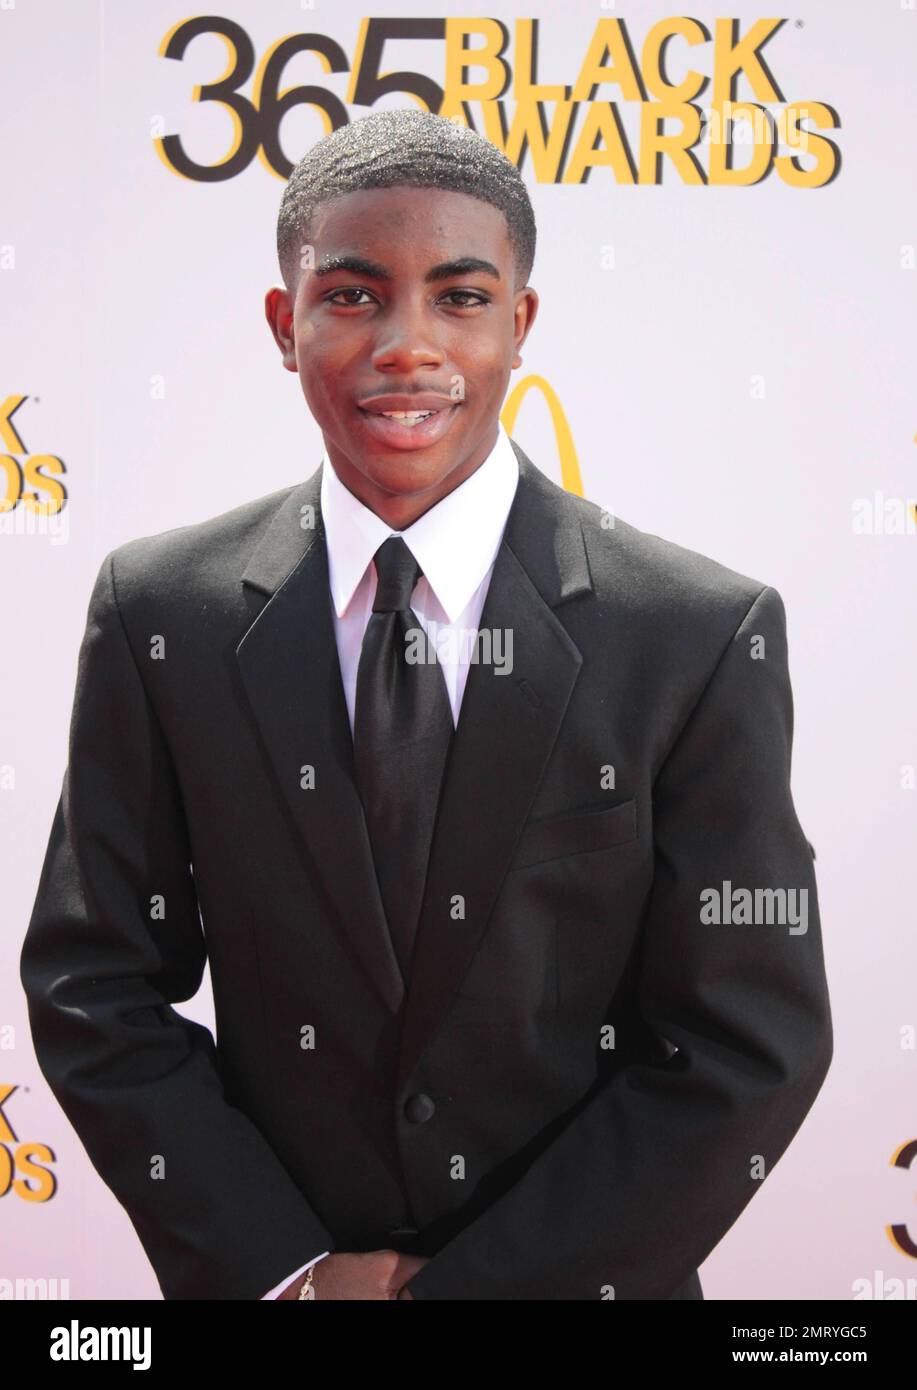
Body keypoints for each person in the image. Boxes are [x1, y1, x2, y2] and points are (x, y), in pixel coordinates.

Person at [20, 108, 832, 1301]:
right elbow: (95, 982)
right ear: (281, 325)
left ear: (520, 323)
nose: (406, 345)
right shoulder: (163, 613)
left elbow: (743, 1041)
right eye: (350, 296)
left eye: (459, 296)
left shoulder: (691, 630)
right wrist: (287, 1272)